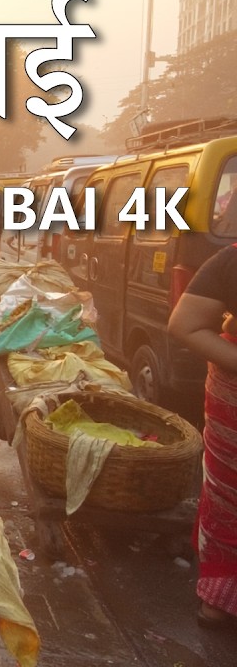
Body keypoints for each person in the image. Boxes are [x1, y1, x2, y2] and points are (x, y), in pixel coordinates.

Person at [167, 245, 237, 629]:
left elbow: (186, 324)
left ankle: (219, 602)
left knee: (228, 495)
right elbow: (185, 324)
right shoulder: (231, 261)